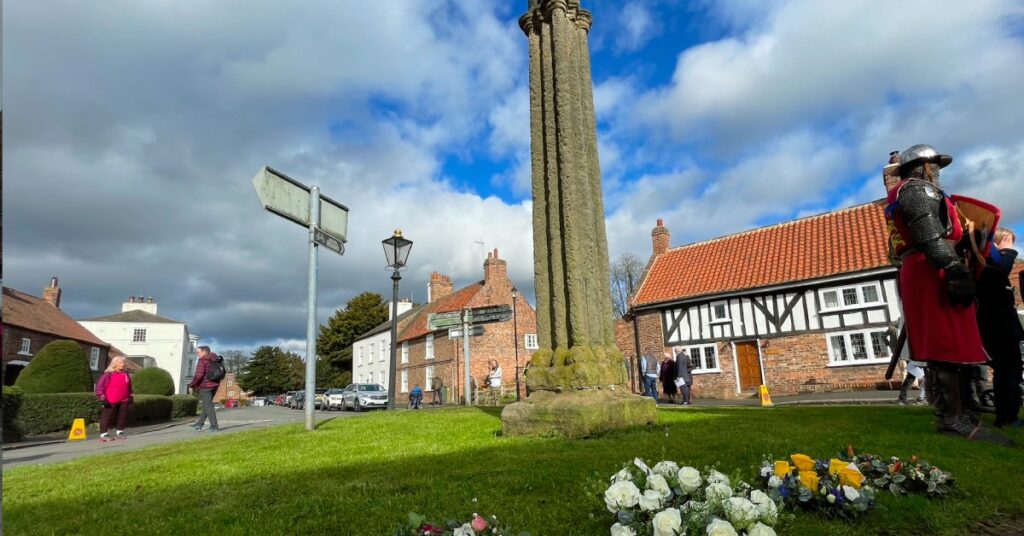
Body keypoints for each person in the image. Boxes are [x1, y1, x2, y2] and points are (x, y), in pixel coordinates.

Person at [884, 144, 1001, 441]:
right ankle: (952, 419)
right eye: (934, 166)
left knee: (958, 344)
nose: (936, 173)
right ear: (924, 167)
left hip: (929, 266)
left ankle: (965, 413)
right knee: (946, 346)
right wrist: (953, 268)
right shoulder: (918, 191)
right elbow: (928, 235)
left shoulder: (912, 191)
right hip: (930, 268)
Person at [976, 228, 1024, 427]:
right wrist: (1006, 251)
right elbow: (1001, 270)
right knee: (1006, 372)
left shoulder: (991, 265)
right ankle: (1006, 418)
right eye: (1005, 241)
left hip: (1005, 326)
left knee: (1012, 371)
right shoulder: (986, 264)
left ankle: (1010, 414)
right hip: (997, 328)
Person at [95, 356, 134, 442]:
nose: (123, 364)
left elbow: (129, 387)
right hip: (110, 399)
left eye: (124, 363)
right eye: (120, 362)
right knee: (106, 417)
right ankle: (104, 434)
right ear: (114, 364)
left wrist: (131, 396)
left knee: (122, 416)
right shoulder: (108, 374)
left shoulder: (126, 374)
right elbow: (100, 387)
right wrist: (101, 396)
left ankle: (120, 432)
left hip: (124, 399)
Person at [890, 323, 927, 405]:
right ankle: (906, 399)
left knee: (915, 377)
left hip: (918, 357)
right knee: (912, 377)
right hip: (914, 358)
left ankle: (921, 397)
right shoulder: (907, 331)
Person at [189, 345, 224, 432]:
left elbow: (199, 375)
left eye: (198, 352)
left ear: (204, 352)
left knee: (208, 405)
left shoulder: (202, 360)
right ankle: (199, 424)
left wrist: (192, 385)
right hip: (215, 386)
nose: (197, 354)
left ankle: (214, 426)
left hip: (205, 386)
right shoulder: (215, 359)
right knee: (206, 405)